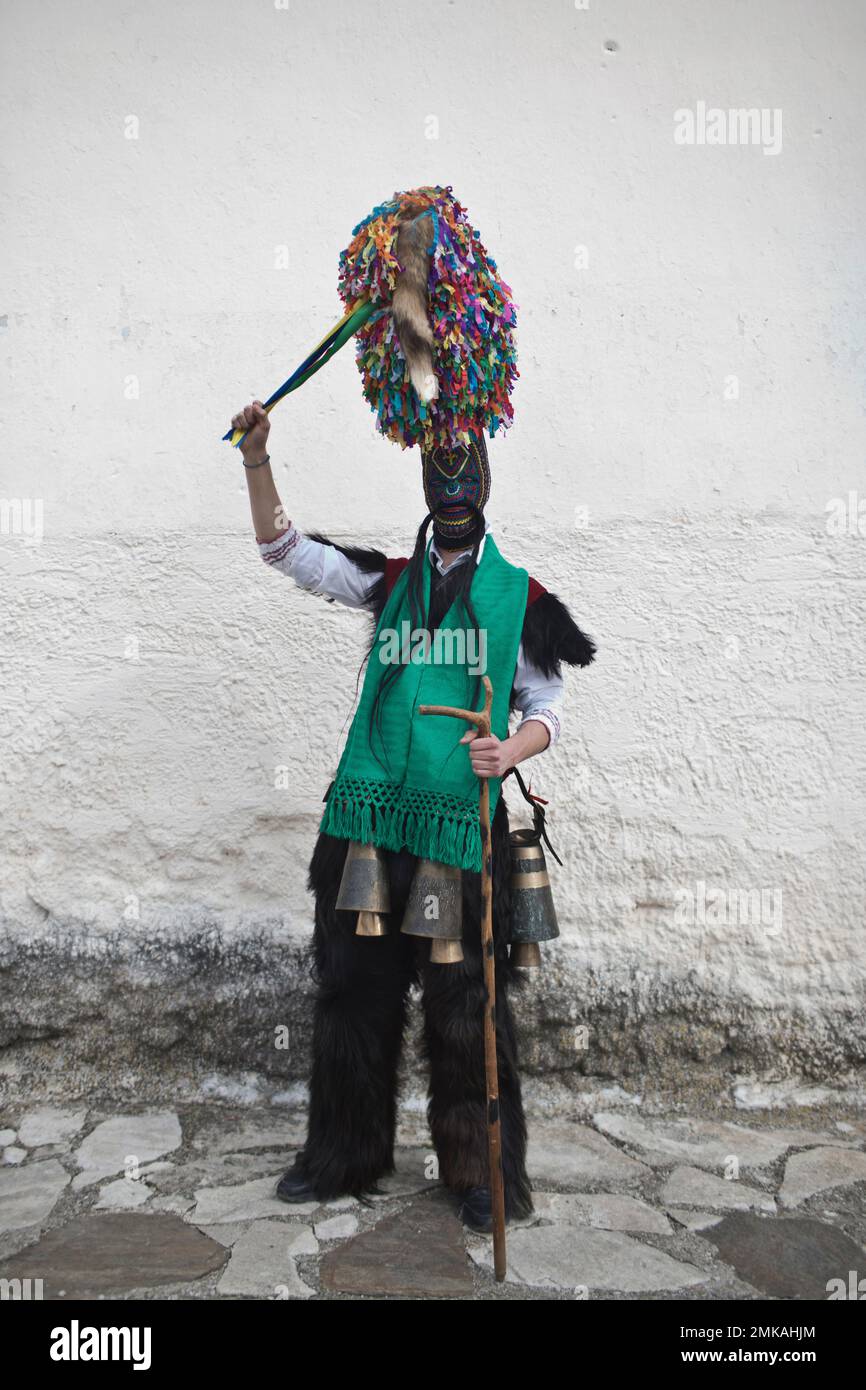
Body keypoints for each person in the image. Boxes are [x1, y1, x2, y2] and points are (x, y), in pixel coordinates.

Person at [231, 398, 596, 1230]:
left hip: (460, 829)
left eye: (468, 470)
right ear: (424, 481)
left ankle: (479, 1171)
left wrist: (512, 750)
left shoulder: (521, 598)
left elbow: (548, 701)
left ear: (489, 482)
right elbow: (285, 551)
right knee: (352, 989)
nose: (455, 484)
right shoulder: (390, 582)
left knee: (466, 1001)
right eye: (441, 470)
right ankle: (342, 1156)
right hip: (367, 823)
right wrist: (258, 459)